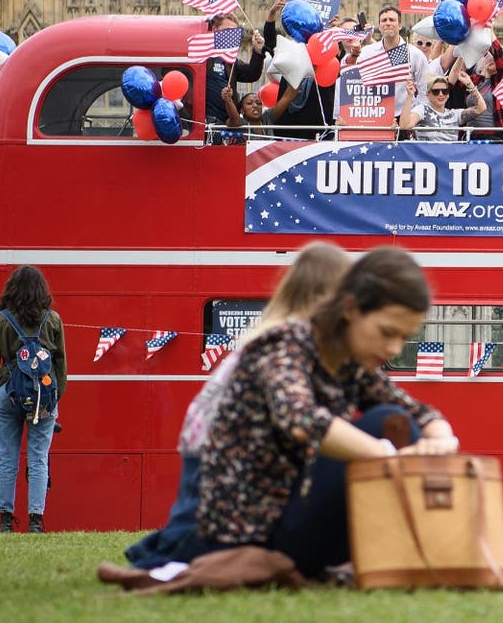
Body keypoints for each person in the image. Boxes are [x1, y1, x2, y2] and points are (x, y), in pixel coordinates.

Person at [196, 247, 459, 580]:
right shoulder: (283, 345)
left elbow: (417, 411)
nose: (394, 349)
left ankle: (431, 551)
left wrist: (441, 440)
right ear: (350, 309)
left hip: (295, 525)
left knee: (394, 417)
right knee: (383, 423)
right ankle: (429, 551)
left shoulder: (349, 361)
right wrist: (386, 455)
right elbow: (301, 419)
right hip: (252, 536)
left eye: (404, 338)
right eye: (387, 332)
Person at [125, 242, 350, 569]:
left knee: (194, 526)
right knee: (196, 539)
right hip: (217, 455)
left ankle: (165, 552)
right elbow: (297, 414)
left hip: (207, 449)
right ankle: (163, 557)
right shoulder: (287, 341)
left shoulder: (272, 333)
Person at [0, 266, 67, 534]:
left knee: (8, 458)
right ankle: (36, 521)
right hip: (43, 394)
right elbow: (61, 365)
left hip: (9, 391)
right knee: (38, 457)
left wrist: (0, 391)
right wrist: (55, 397)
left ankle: (5, 520)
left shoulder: (1, 319)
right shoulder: (53, 319)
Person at [357, 6, 431, 114]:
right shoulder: (367, 52)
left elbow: (424, 91)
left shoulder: (415, 54)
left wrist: (415, 116)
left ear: (400, 25)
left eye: (392, 20)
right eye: (384, 20)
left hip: (404, 117)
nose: (388, 23)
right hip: (374, 116)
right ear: (379, 26)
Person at [203, 11, 266, 127]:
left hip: (228, 123)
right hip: (204, 123)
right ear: (214, 29)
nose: (231, 35)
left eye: (234, 32)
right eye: (227, 31)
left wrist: (257, 51)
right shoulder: (203, 54)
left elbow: (252, 74)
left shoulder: (229, 59)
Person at [398, 73, 485, 141]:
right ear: (428, 94)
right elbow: (405, 125)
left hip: (449, 160)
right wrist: (409, 96)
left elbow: (481, 108)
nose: (441, 94)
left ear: (448, 94)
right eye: (436, 91)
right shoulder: (422, 109)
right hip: (427, 159)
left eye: (445, 91)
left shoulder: (454, 114)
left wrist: (469, 84)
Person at [220, 83, 298, 139]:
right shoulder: (240, 123)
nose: (255, 106)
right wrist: (228, 100)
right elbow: (234, 117)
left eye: (259, 103)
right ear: (242, 110)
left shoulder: (268, 117)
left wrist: (299, 77)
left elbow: (287, 98)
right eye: (249, 103)